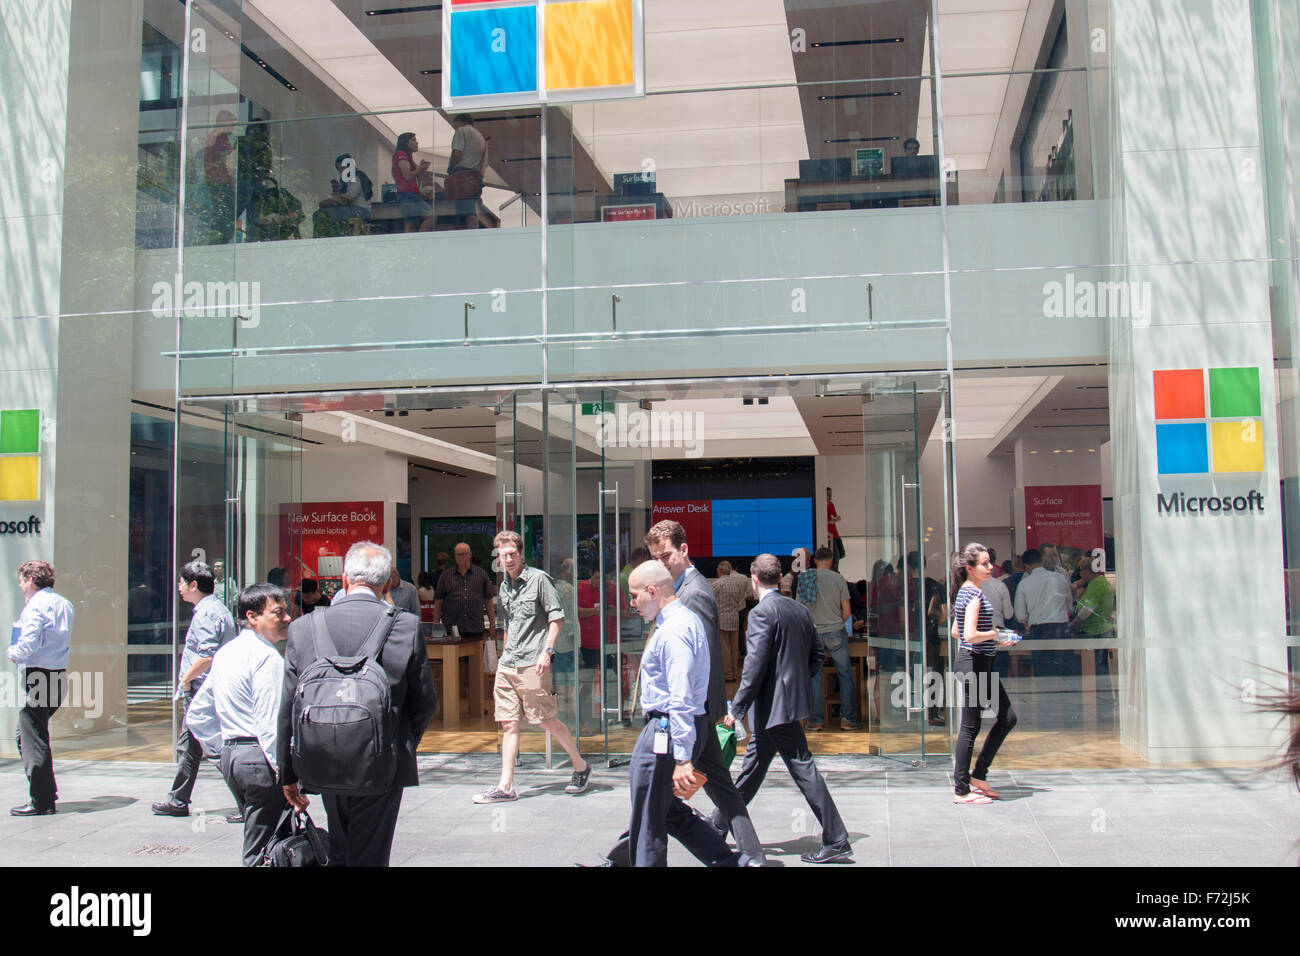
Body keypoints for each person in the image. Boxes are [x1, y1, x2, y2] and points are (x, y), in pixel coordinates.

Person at [278, 542, 437, 867]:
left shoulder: (303, 627)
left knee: (339, 847)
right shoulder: (405, 626)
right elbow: (424, 702)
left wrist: (287, 772)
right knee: (370, 854)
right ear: (386, 585)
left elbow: (287, 708)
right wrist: (397, 739)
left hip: (321, 756)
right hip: (381, 761)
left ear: (344, 580)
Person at [721, 554, 853, 863]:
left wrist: (737, 708)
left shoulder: (760, 614)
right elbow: (817, 655)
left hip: (771, 708)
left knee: (802, 767)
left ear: (754, 579)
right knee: (752, 770)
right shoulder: (799, 610)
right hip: (782, 706)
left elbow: (753, 667)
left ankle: (837, 838)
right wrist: (795, 683)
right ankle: (717, 825)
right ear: (780, 578)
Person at [623, 561, 743, 867]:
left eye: (635, 595)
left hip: (666, 729)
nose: (632, 603)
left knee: (650, 813)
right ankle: (728, 862)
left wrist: (683, 758)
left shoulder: (675, 629)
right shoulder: (680, 622)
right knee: (666, 810)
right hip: (672, 727)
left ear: (652, 591)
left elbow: (681, 696)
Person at [474, 531, 591, 802]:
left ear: (521, 553)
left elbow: (557, 618)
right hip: (509, 663)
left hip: (532, 663)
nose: (508, 559)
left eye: (512, 554)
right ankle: (505, 786)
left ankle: (580, 766)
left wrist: (546, 652)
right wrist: (503, 656)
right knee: (509, 724)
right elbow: (510, 625)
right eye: (503, 555)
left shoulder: (539, 580)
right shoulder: (504, 586)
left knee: (545, 720)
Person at [184, 584, 291, 865]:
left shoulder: (225, 653)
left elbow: (197, 714)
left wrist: (223, 750)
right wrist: (286, 773)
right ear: (252, 617)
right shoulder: (267, 659)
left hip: (235, 756)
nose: (286, 619)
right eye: (277, 613)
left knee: (267, 838)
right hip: (260, 758)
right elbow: (270, 722)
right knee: (262, 848)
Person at [153, 560, 238, 818]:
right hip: (206, 688)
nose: (178, 588)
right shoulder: (214, 610)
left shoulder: (206, 613)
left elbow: (206, 656)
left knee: (214, 748)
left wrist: (186, 681)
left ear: (193, 585)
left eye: (181, 582)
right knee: (189, 746)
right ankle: (178, 799)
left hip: (202, 690)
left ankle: (249, 798)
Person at [950, 544, 1019, 804]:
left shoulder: (966, 592)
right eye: (985, 563)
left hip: (978, 662)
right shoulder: (974, 595)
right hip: (975, 665)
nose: (990, 567)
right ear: (970, 568)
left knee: (1007, 717)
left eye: (989, 562)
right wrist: (995, 634)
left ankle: (978, 775)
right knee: (970, 727)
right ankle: (961, 789)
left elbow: (958, 632)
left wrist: (992, 640)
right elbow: (968, 635)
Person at [8, 561, 73, 816]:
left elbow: (29, 642)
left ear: (31, 579)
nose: (20, 584)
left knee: (33, 738)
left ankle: (42, 800)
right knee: (28, 735)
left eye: (22, 579)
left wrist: (13, 652)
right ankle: (46, 791)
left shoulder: (36, 605)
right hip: (57, 676)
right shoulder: (63, 603)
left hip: (39, 677)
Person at [801, 547, 857, 731]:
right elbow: (847, 611)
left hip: (812, 632)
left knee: (814, 677)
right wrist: (836, 623)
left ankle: (816, 721)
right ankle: (847, 719)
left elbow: (800, 610)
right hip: (835, 631)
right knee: (845, 674)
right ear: (832, 560)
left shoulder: (804, 578)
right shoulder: (839, 579)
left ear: (814, 560)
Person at [1013, 547, 1072, 676]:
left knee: (1043, 672)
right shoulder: (1061, 578)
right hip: (1061, 629)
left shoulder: (1024, 583)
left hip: (1039, 630)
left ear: (1027, 566)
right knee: (1063, 670)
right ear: (1041, 561)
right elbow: (1070, 607)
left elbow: (1020, 615)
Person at [576, 562, 617, 722]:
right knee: (586, 684)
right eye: (598, 578)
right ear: (591, 573)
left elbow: (627, 612)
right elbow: (575, 611)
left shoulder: (613, 588)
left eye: (605, 579)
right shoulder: (580, 588)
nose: (602, 582)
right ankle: (582, 717)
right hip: (587, 645)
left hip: (608, 644)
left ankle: (608, 716)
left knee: (609, 682)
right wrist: (594, 611)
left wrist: (615, 611)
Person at [432, 541, 496, 639]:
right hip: (452, 629)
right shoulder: (446, 576)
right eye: (458, 554)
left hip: (475, 628)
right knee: (452, 654)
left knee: (477, 654)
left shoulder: (481, 574)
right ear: (455, 556)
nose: (460, 557)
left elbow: (488, 600)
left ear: (469, 555)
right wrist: (436, 626)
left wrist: (492, 624)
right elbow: (438, 602)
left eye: (463, 554)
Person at [710, 560, 753, 682]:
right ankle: (735, 673)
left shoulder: (717, 584)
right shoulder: (737, 584)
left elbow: (710, 600)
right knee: (734, 649)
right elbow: (742, 598)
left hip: (722, 620)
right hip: (735, 618)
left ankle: (727, 674)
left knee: (725, 649)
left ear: (720, 570)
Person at [447, 113, 487, 229]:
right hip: (475, 176)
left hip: (462, 175)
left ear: (459, 121)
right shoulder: (480, 137)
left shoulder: (461, 131)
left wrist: (451, 167)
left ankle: (471, 235)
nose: (453, 126)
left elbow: (457, 154)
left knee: (467, 212)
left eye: (454, 123)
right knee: (471, 209)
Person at [392, 131, 433, 232]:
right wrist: (422, 168)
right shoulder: (401, 154)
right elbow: (408, 176)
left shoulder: (407, 157)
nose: (417, 143)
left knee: (411, 224)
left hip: (410, 194)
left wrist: (421, 168)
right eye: (413, 140)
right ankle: (418, 242)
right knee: (431, 216)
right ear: (405, 143)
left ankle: (413, 245)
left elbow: (415, 176)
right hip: (408, 195)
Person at [826, 486, 845, 562]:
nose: (830, 496)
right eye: (828, 494)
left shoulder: (831, 504)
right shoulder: (821, 506)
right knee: (836, 557)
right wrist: (829, 521)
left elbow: (833, 516)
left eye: (831, 494)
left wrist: (837, 518)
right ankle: (835, 570)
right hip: (829, 535)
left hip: (835, 534)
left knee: (842, 554)